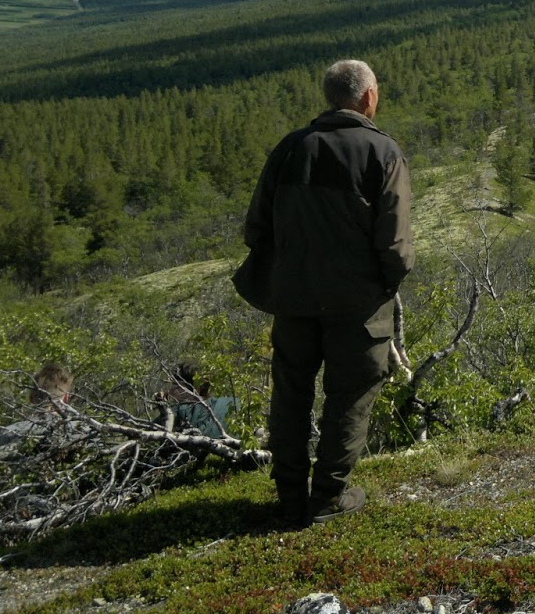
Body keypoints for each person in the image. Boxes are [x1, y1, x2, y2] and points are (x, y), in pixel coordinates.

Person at [243, 59, 414, 527]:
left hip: (294, 300)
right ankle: (328, 497)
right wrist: (383, 285)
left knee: (291, 394)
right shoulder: (382, 152)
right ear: (368, 97)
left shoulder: (291, 148)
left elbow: (255, 228)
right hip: (358, 305)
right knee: (350, 394)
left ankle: (289, 495)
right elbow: (396, 247)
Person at [154, 362, 235, 439]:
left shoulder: (180, 411)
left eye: (176, 386)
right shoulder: (230, 404)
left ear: (195, 388)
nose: (171, 391)